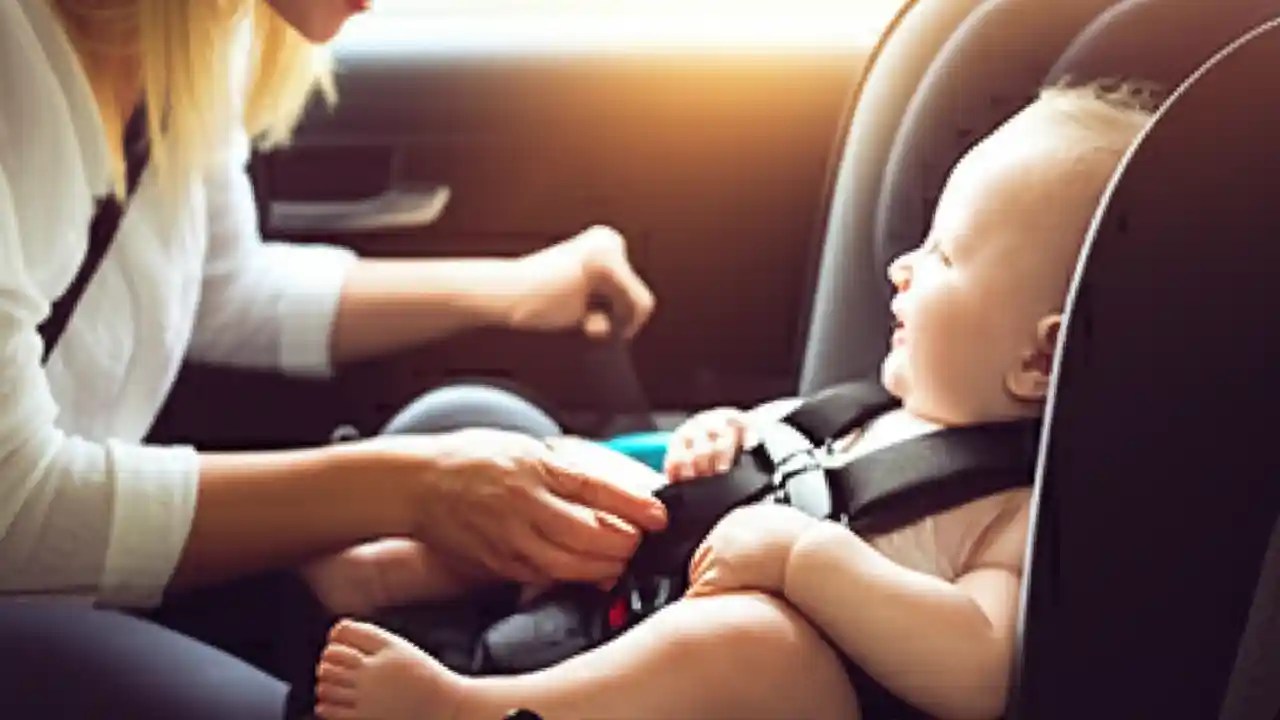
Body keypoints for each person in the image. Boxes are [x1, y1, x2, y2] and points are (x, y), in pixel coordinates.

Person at [313, 80, 1158, 720]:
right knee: (581, 477)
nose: (902, 266)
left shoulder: (1011, 512)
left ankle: (478, 709)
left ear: (1039, 361)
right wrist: (723, 434)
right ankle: (386, 575)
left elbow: (977, 669)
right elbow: (770, 445)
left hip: (761, 683)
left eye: (942, 256)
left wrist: (803, 561)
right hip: (655, 592)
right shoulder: (867, 413)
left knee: (756, 645)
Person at [0, 1, 667, 717]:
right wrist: (417, 486)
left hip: (58, 563)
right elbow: (15, 506)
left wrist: (513, 290)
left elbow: (222, 287)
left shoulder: (193, 28)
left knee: (475, 420)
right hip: (24, 561)